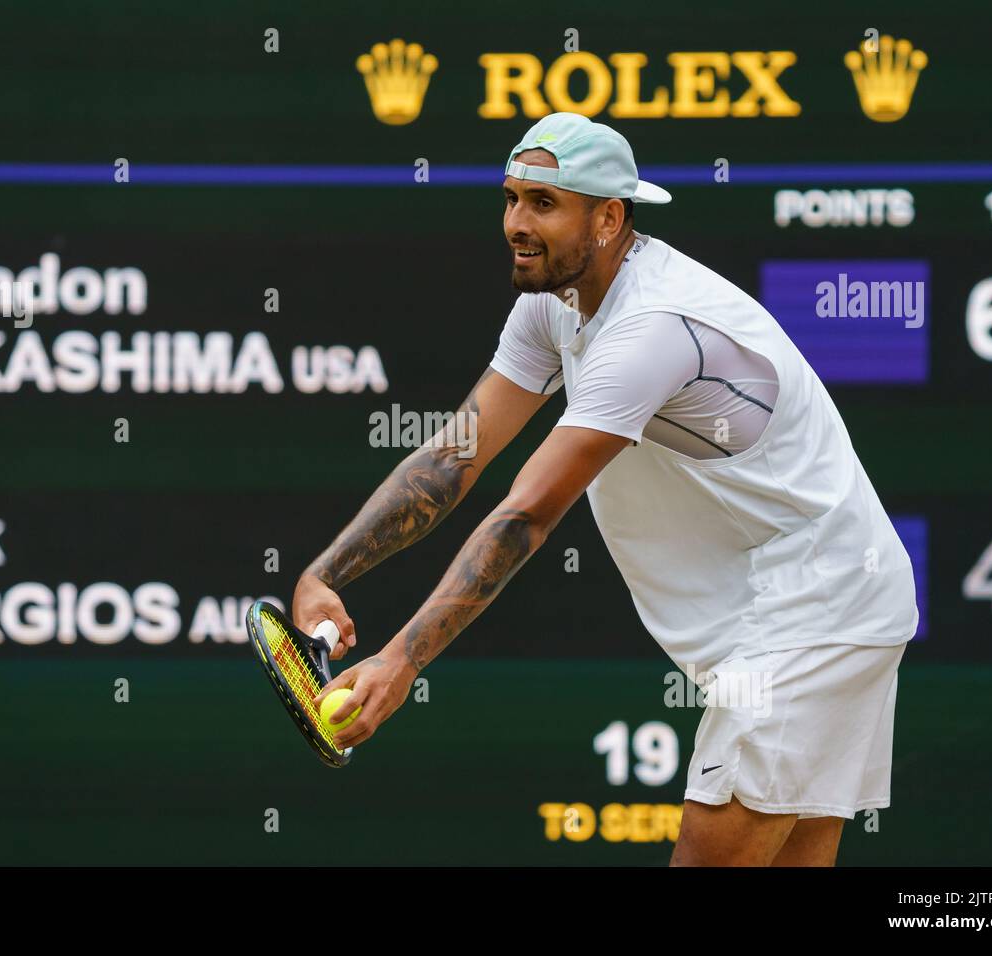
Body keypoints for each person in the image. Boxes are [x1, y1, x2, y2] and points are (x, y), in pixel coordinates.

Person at [295, 112, 918, 866]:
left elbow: (525, 514)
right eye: (512, 198)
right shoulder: (551, 304)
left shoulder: (651, 329)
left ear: (609, 218)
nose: (517, 224)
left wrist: (399, 663)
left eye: (544, 204)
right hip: (792, 611)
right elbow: (456, 455)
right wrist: (326, 572)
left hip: (815, 609)